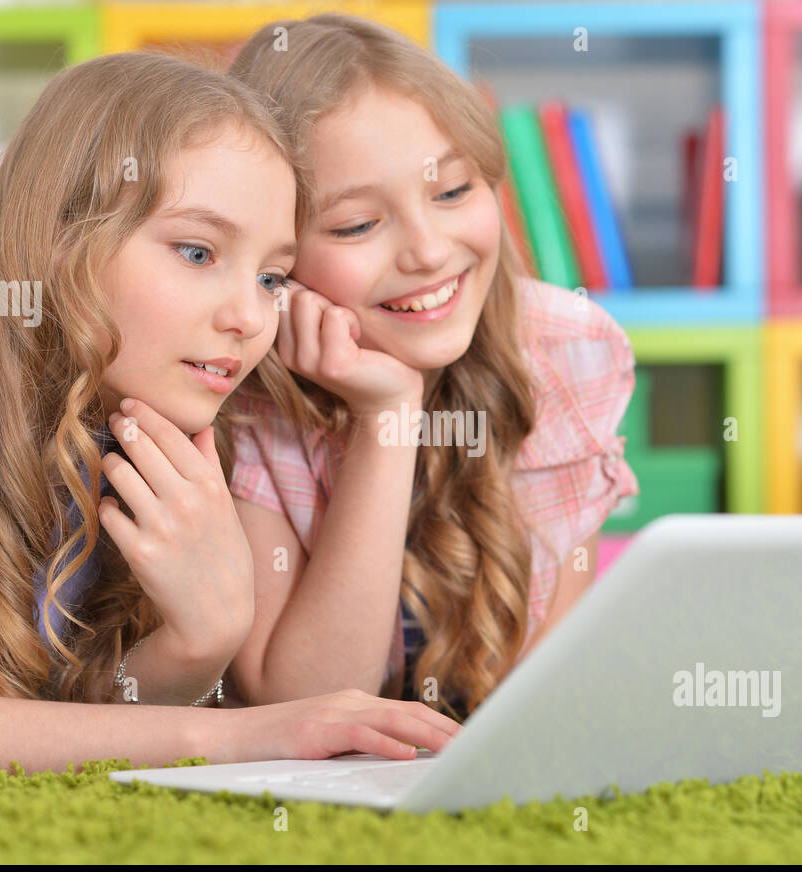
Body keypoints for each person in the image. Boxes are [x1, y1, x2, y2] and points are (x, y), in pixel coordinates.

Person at [0, 51, 458, 776]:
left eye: (271, 277)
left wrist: (200, 642)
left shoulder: (163, 406)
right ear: (63, 235)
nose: (248, 317)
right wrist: (239, 735)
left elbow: (65, 726)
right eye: (198, 251)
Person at [222, 15, 639, 719]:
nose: (427, 251)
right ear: (276, 262)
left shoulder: (566, 350)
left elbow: (536, 704)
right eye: (357, 224)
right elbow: (306, 705)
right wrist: (386, 416)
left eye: (452, 193)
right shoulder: (244, 398)